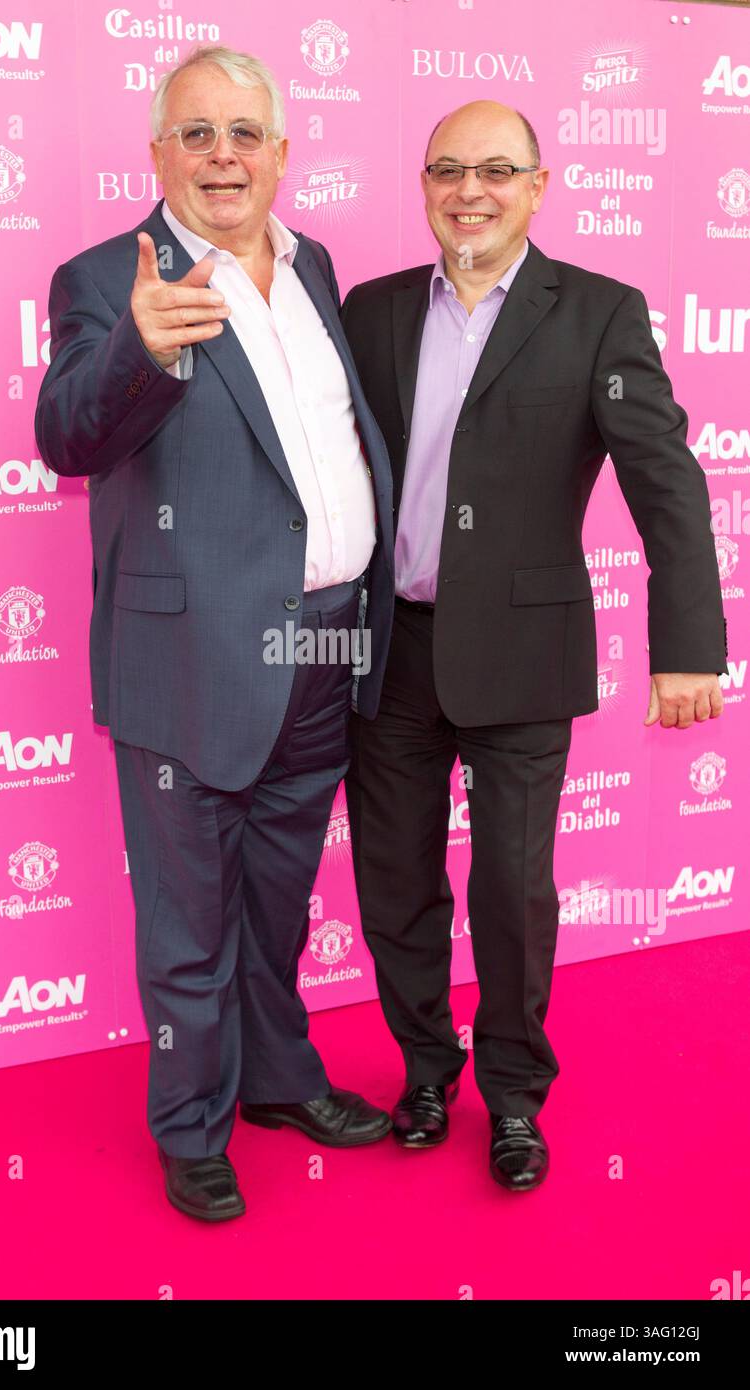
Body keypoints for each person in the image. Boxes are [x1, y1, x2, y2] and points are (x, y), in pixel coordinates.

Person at [34, 45, 397, 1223]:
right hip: (189, 661)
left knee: (280, 900)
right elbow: (66, 434)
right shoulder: (106, 277)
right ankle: (190, 1123)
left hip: (324, 643)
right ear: (158, 154)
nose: (223, 155)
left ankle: (278, 1081)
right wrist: (142, 346)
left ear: (282, 153)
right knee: (188, 916)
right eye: (196, 133)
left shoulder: (315, 266)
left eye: (244, 133)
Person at [340, 99, 727, 1192]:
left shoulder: (598, 314)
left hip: (521, 654)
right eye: (447, 168)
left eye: (495, 169)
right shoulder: (368, 313)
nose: (470, 188)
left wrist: (686, 644)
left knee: (512, 893)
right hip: (388, 652)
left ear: (538, 184)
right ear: (422, 184)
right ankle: (426, 1069)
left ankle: (512, 1097)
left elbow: (665, 482)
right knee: (394, 885)